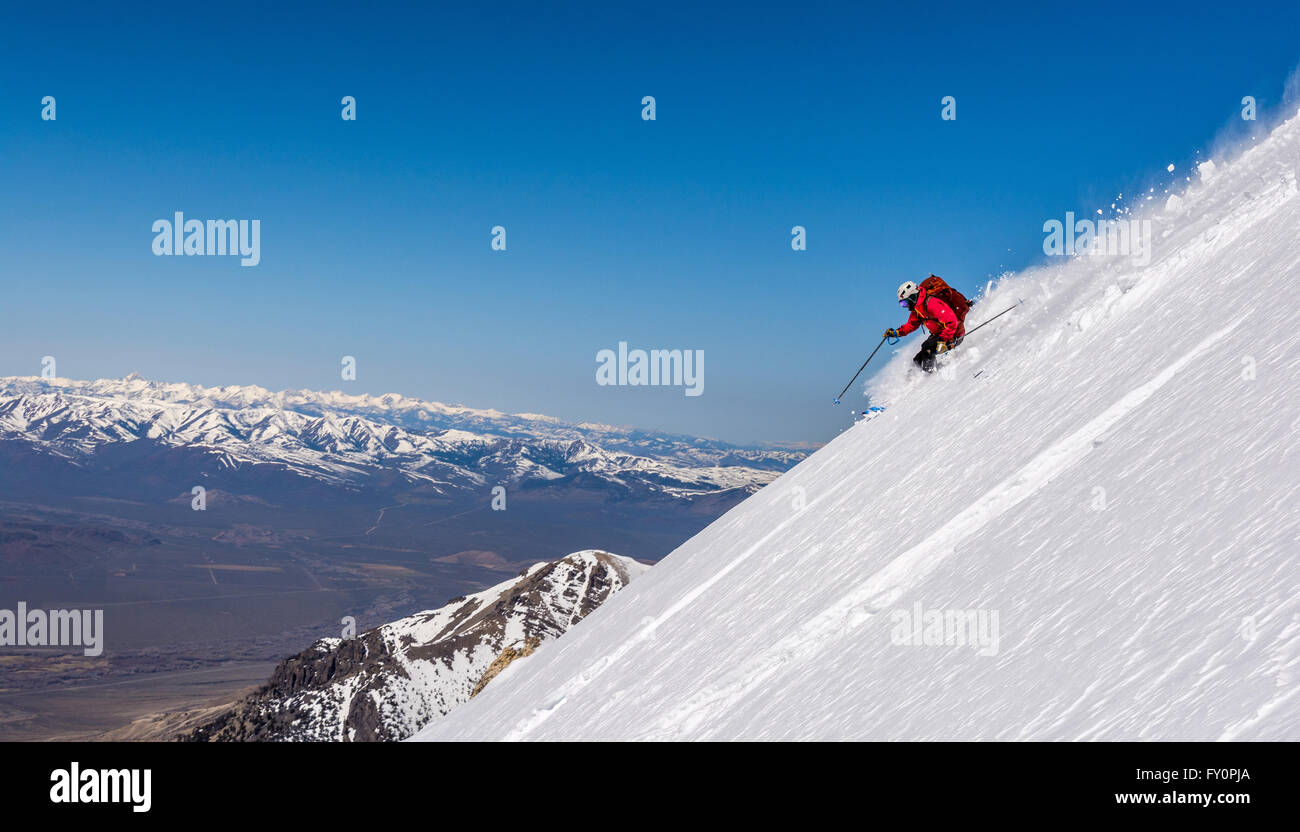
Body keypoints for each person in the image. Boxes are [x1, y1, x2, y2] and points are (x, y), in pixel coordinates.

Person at [884, 278, 967, 373]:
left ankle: (929, 377)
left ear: (912, 297)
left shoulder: (932, 304)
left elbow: (952, 321)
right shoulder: (918, 309)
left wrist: (943, 339)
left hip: (954, 334)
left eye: (904, 303)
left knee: (927, 347)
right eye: (902, 304)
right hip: (940, 336)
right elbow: (911, 325)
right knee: (917, 360)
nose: (905, 306)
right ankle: (914, 380)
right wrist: (896, 333)